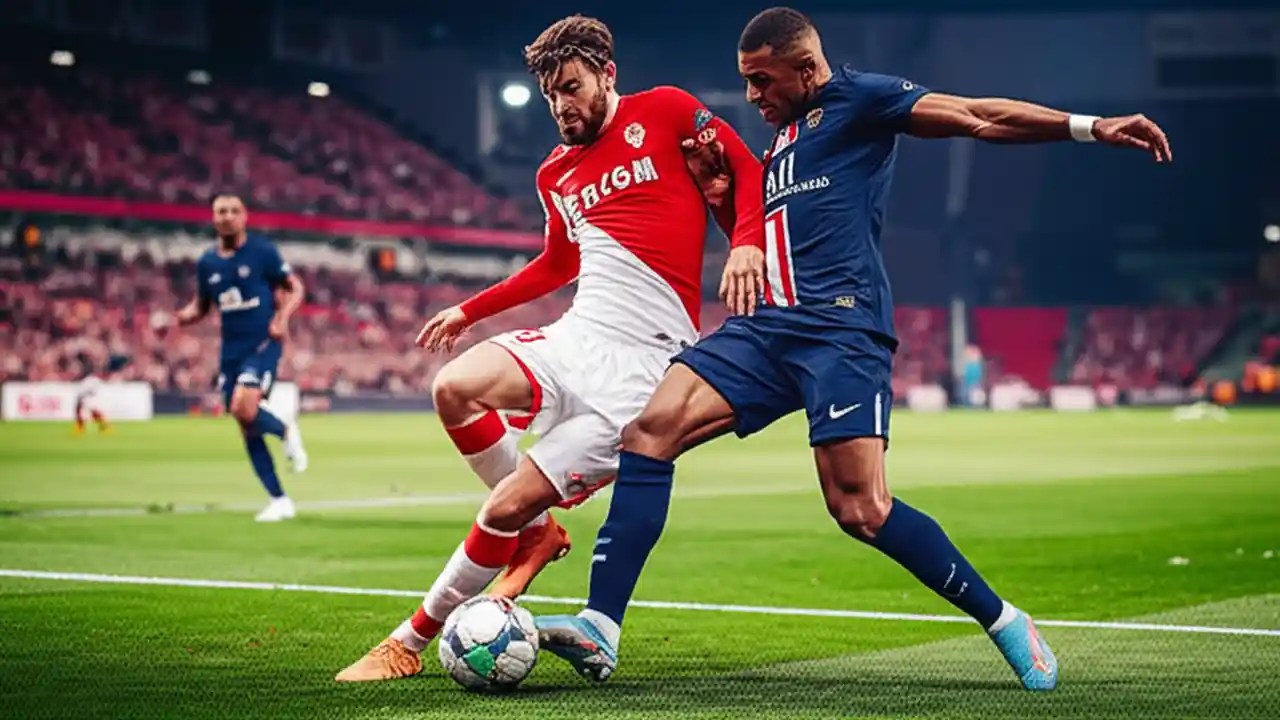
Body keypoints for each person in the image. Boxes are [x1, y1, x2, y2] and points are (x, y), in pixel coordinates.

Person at [535, 6, 1172, 692]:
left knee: (860, 509)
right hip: (766, 327)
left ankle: (1004, 619)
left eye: (761, 80)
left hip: (841, 329)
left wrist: (1090, 126)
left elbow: (976, 116)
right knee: (648, 432)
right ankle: (601, 624)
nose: (752, 96)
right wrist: (722, 199)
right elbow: (770, 235)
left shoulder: (862, 100)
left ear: (806, 70)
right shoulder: (781, 142)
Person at [333, 14, 765, 682]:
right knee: (452, 386)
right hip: (576, 336)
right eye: (550, 95)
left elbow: (746, 169)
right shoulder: (555, 173)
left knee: (501, 507)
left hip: (644, 371)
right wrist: (469, 310)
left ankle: (407, 642)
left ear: (606, 75)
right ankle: (535, 535)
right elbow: (555, 265)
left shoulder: (668, 111)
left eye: (571, 86)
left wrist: (746, 243)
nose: (561, 104)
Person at [158, 194, 309, 522]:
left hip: (263, 343)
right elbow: (201, 305)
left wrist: (282, 318)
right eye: (220, 211)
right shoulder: (208, 263)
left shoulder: (262, 252)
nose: (227, 216)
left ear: (244, 217)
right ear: (213, 219)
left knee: (244, 407)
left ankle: (284, 429)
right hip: (231, 352)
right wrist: (177, 318)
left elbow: (295, 288)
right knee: (245, 424)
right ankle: (279, 499)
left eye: (233, 211)